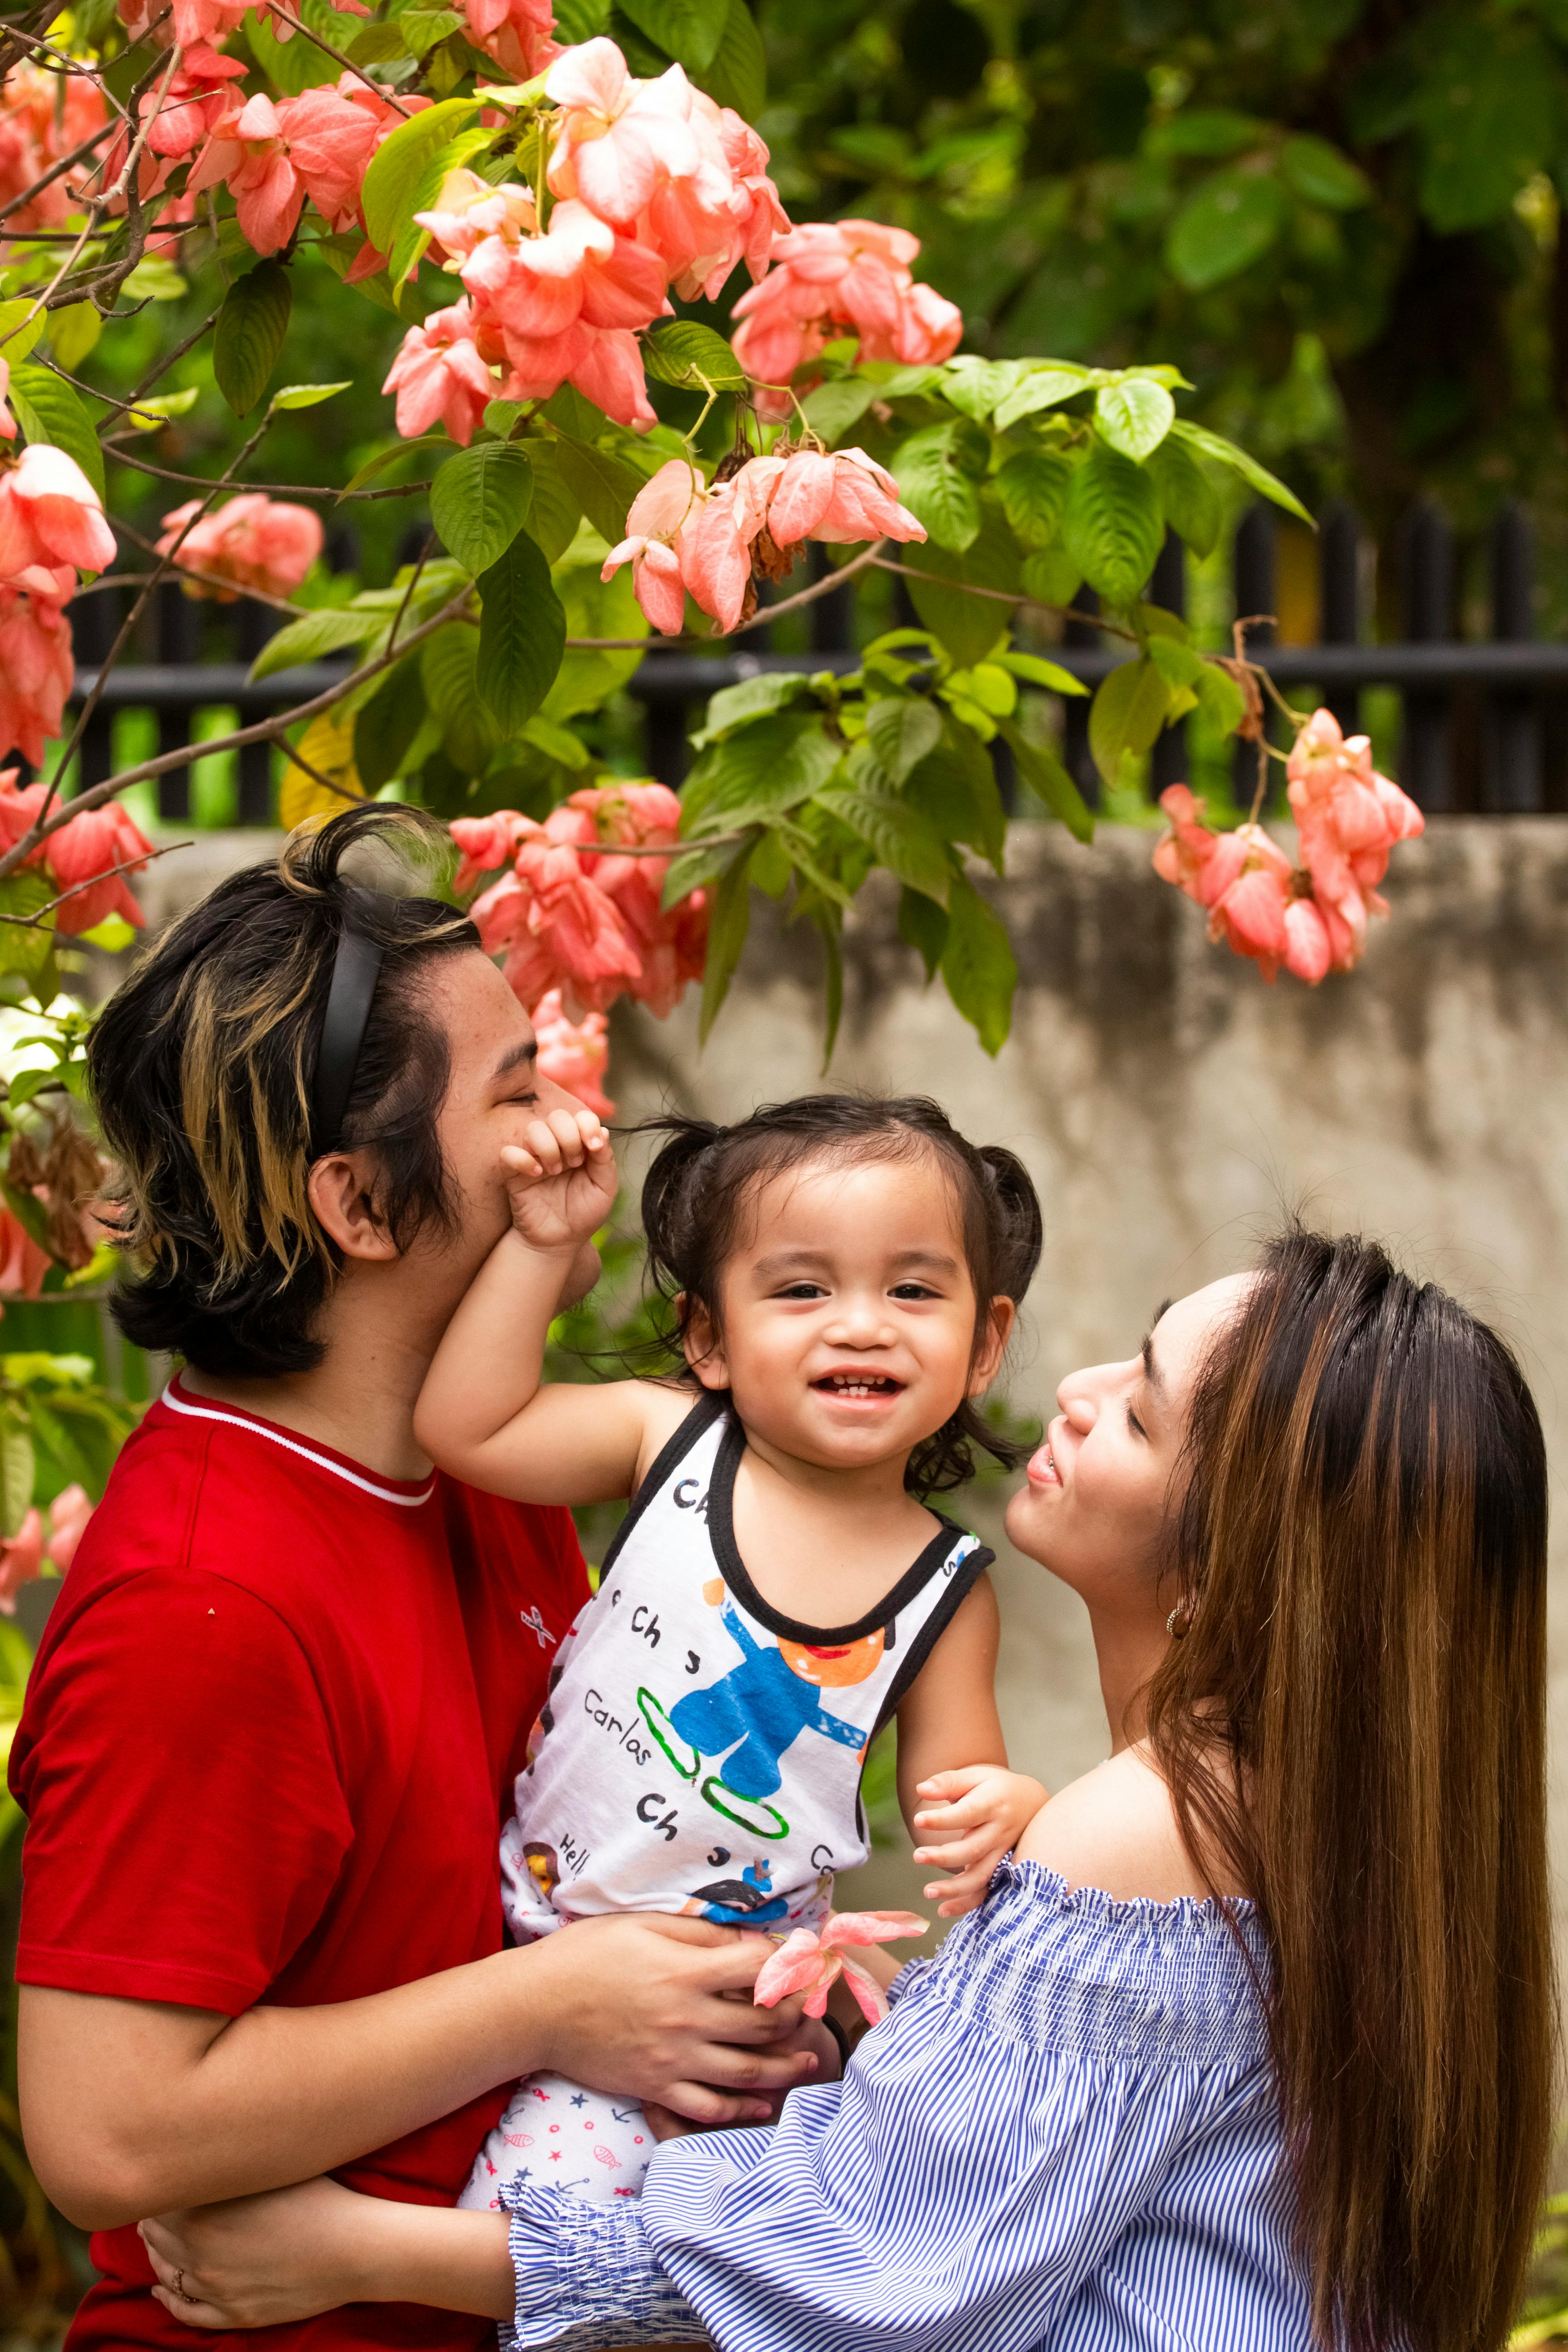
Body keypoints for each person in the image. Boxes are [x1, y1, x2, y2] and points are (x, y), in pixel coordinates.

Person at [143, 1230, 1555, 2352]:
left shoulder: (1152, 1830)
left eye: (1137, 1409)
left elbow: (870, 2264)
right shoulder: (1327, 1826)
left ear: (1238, 1565)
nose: (1073, 1392)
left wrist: (363, 2251)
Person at [9, 806, 829, 2352]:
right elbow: (104, 2132)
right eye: (519, 1087)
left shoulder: (483, 1457)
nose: (578, 1115)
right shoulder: (207, 1606)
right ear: (362, 1203)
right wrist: (553, 2004)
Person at [410, 1092, 1051, 2210]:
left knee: (638, 2260)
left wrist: (1009, 1810)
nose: (861, 1324)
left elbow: (963, 1835)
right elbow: (466, 1428)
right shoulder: (667, 1440)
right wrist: (543, 1241)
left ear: (984, 1342)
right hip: (515, 1941)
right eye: (802, 1289)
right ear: (709, 1336)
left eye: (913, 1289)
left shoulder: (944, 1593)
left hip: (731, 2012)